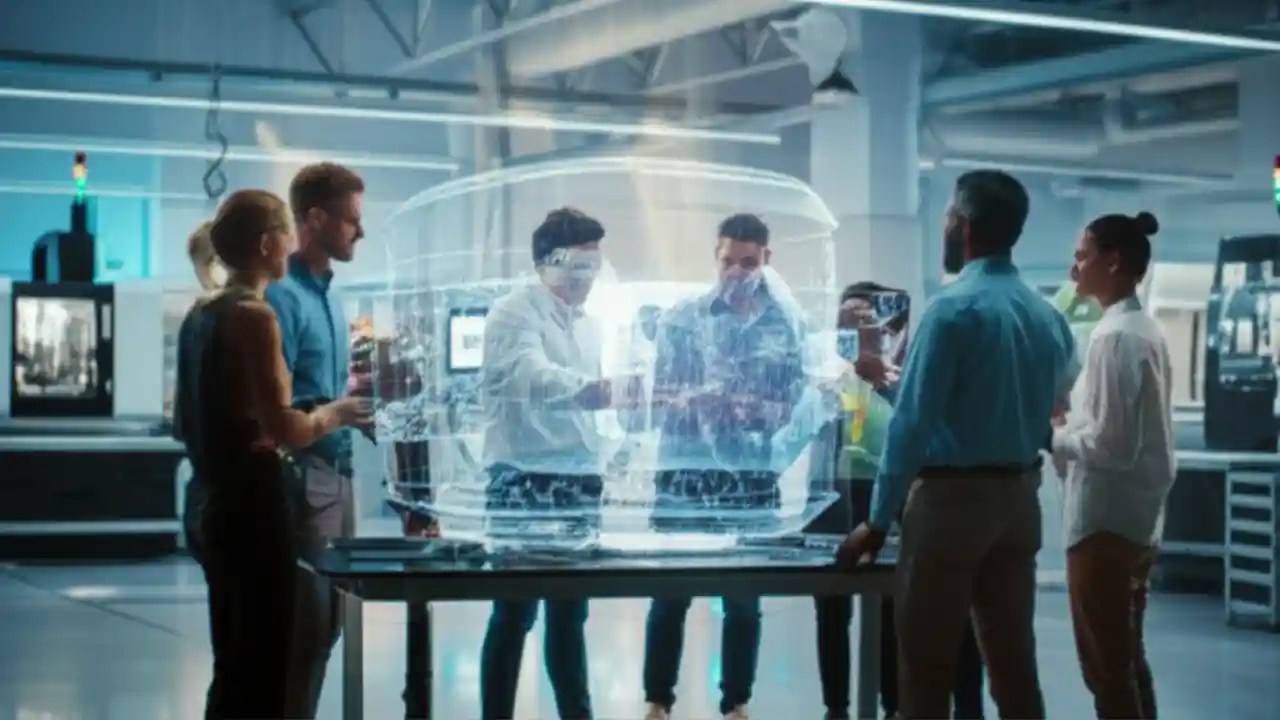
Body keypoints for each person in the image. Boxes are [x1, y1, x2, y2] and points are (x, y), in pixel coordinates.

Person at [838, 170, 1077, 720]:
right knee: (1014, 664)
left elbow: (915, 423)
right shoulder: (1048, 317)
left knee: (925, 669)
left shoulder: (951, 310)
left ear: (962, 225)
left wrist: (876, 521)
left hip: (950, 507)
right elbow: (1045, 405)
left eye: (948, 214)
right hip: (1020, 503)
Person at [173, 189, 369, 719]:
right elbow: (287, 427)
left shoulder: (200, 314)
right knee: (267, 664)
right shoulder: (256, 319)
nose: (292, 245)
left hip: (207, 502)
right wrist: (338, 412)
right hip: (253, 509)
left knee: (233, 662)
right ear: (267, 244)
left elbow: (184, 419)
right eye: (286, 234)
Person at [643, 214, 807, 720]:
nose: (736, 272)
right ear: (715, 257)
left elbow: (795, 399)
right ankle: (658, 700)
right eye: (727, 261)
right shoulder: (681, 318)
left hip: (751, 476)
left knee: (742, 599)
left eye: (749, 262)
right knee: (671, 592)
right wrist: (693, 401)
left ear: (766, 260)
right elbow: (658, 397)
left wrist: (757, 409)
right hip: (686, 473)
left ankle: (736, 701)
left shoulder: (785, 323)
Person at [809, 283, 986, 720]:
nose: (859, 326)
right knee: (832, 611)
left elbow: (912, 430)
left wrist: (886, 377)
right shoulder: (827, 372)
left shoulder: (903, 374)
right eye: (849, 317)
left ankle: (892, 705)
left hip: (890, 497)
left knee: (891, 607)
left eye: (868, 317)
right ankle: (836, 707)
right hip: (834, 496)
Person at [478, 207, 615, 720]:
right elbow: (528, 376)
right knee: (514, 614)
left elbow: (589, 402)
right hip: (524, 480)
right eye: (579, 268)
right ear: (547, 262)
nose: (587, 280)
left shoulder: (590, 325)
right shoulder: (515, 312)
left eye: (593, 269)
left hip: (577, 480)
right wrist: (590, 391)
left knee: (570, 614)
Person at [1052, 211, 1173, 720]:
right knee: (1127, 658)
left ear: (1114, 260)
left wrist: (1054, 437)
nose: (1075, 267)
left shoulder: (1114, 338)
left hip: (1103, 526)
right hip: (1137, 523)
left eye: (1083, 256)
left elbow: (1112, 446)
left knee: (1105, 669)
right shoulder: (1144, 329)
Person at [262, 161, 367, 718]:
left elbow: (320, 389)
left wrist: (357, 405)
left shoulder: (331, 296)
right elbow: (275, 408)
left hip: (339, 476)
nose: (360, 232)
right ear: (316, 217)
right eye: (352, 220)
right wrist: (340, 412)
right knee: (303, 631)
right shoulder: (281, 298)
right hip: (303, 478)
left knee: (328, 627)